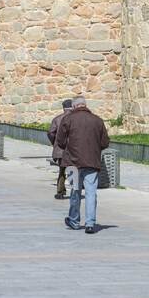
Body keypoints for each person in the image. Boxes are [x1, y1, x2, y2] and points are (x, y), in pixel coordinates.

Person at [55, 96, 109, 235]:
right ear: (85, 105)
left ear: (73, 107)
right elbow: (105, 143)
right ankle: (90, 223)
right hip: (92, 162)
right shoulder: (97, 120)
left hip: (73, 163)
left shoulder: (68, 119)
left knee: (75, 191)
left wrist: (69, 147)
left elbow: (60, 141)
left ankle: (74, 220)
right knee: (91, 192)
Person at [47, 99, 74, 200]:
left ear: (63, 108)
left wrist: (55, 143)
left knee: (62, 170)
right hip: (74, 149)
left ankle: (60, 191)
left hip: (61, 150)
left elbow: (51, 133)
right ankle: (74, 190)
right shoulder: (76, 119)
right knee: (73, 170)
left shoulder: (57, 119)